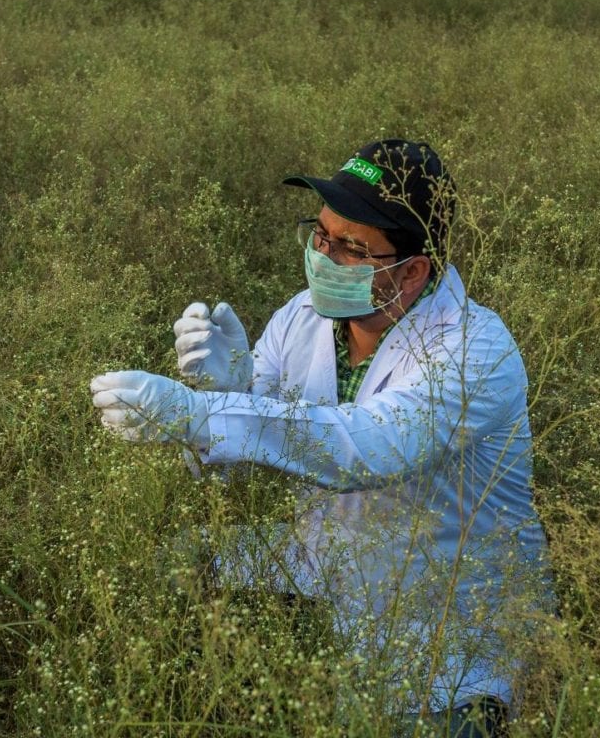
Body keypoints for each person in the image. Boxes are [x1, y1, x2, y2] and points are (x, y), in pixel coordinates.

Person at [90, 140, 553, 737]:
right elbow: (247, 458)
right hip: (328, 560)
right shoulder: (303, 317)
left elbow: (367, 447)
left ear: (412, 271)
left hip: (446, 614)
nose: (324, 256)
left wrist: (204, 414)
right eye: (321, 234)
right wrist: (230, 387)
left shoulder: (475, 349)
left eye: (352, 248)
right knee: (177, 561)